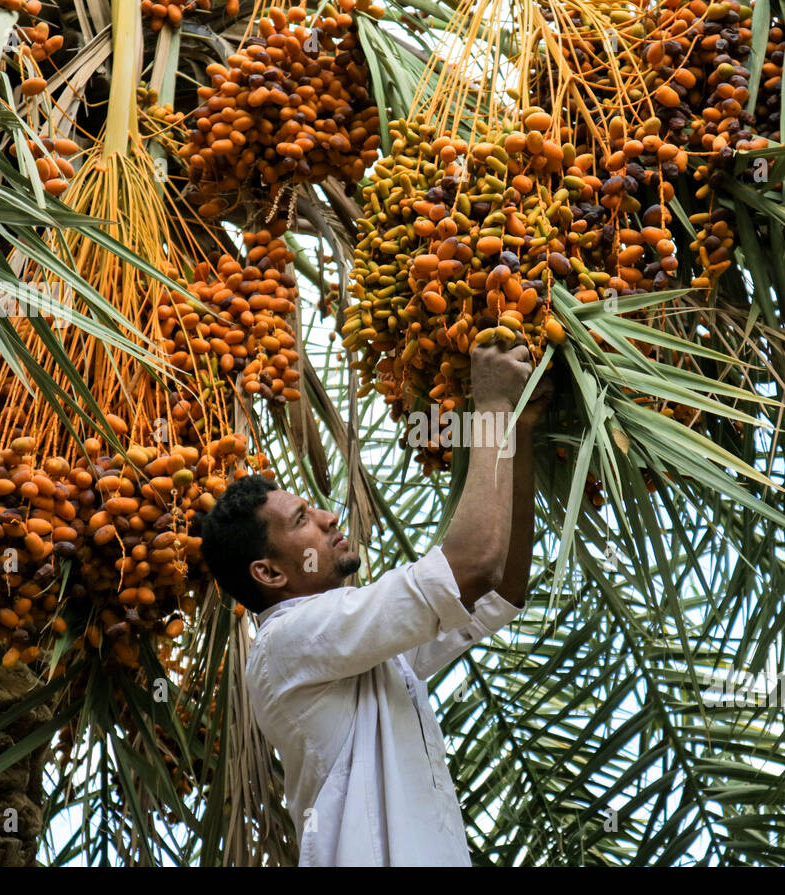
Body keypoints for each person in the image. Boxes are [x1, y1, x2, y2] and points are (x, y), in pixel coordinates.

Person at [200, 335, 550, 865]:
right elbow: (472, 565)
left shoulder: (354, 654)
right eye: (302, 522)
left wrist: (516, 432)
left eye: (314, 510)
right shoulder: (288, 643)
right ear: (268, 572)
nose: (329, 518)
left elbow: (499, 589)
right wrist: (493, 409)